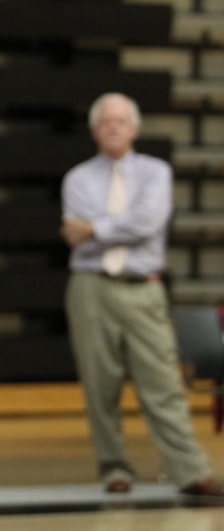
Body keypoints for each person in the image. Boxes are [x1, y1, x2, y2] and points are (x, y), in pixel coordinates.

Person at [61, 92, 224, 497]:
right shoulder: (77, 178)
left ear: (134, 128)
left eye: (120, 121)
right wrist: (119, 225)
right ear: (94, 130)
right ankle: (114, 469)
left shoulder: (156, 172)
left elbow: (148, 223)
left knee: (163, 381)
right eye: (105, 121)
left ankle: (191, 470)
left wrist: (95, 228)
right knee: (100, 385)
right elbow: (76, 233)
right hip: (91, 287)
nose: (113, 127)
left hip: (143, 288)